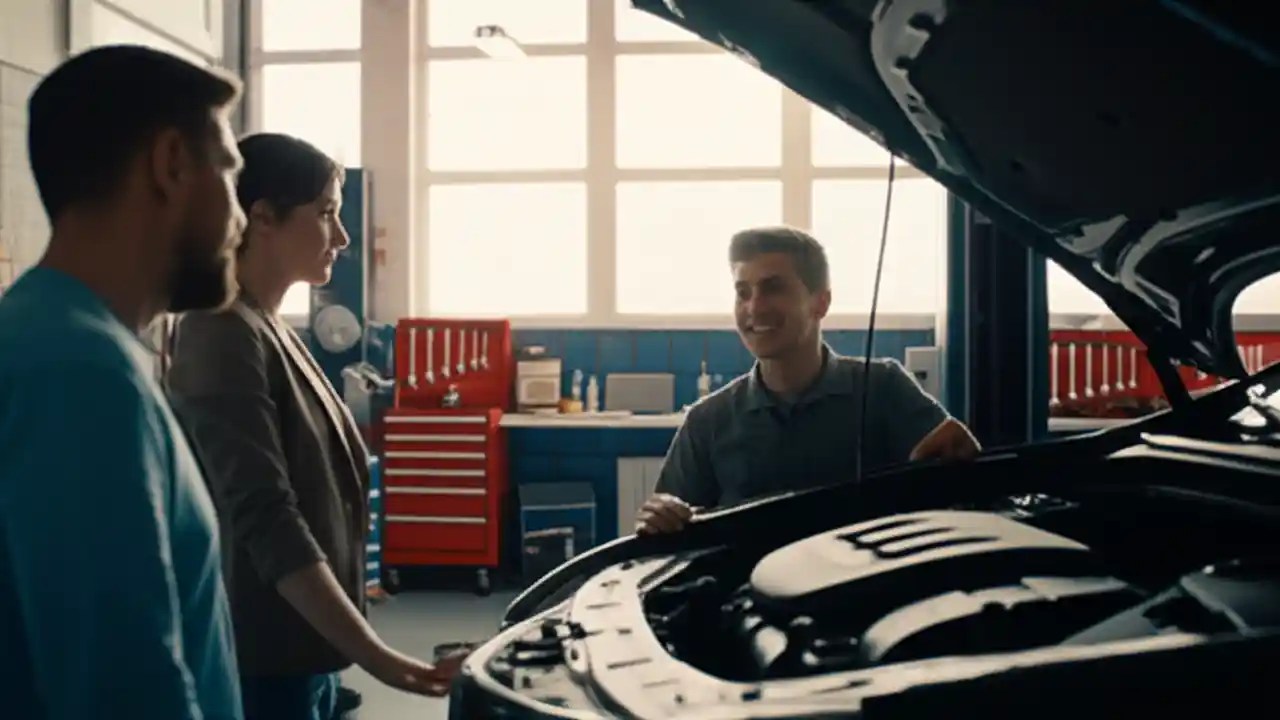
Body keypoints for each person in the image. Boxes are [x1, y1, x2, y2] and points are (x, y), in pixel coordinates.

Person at [165, 132, 460, 720]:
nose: (343, 238)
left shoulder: (269, 325)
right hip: (260, 661)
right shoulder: (220, 330)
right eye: (326, 213)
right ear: (262, 218)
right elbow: (266, 515)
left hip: (303, 650)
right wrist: (380, 658)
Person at [0, 46, 246, 718]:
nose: (239, 219)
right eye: (228, 171)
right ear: (171, 163)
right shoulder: (77, 372)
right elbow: (124, 692)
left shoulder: (51, 338)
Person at [636, 226, 980, 535]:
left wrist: (962, 462)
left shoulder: (884, 388)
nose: (754, 307)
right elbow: (667, 540)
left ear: (821, 303)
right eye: (743, 292)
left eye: (773, 288)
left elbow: (959, 493)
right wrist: (661, 518)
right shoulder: (707, 421)